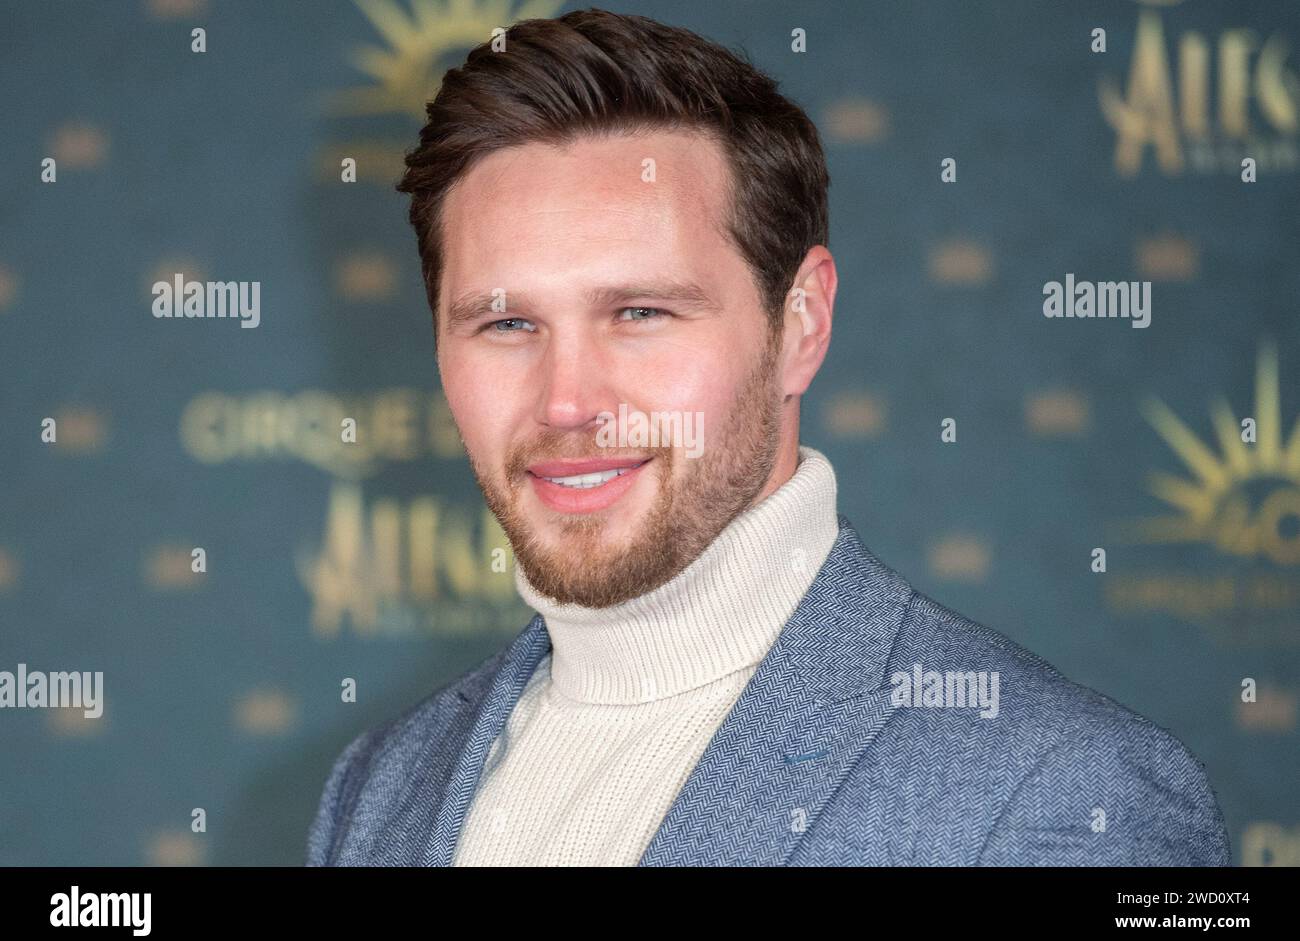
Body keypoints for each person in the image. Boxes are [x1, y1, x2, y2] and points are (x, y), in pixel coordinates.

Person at [307, 8, 1230, 866]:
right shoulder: (378, 788)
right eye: (505, 325)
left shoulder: (1066, 791)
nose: (566, 402)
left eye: (640, 311)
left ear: (802, 325)